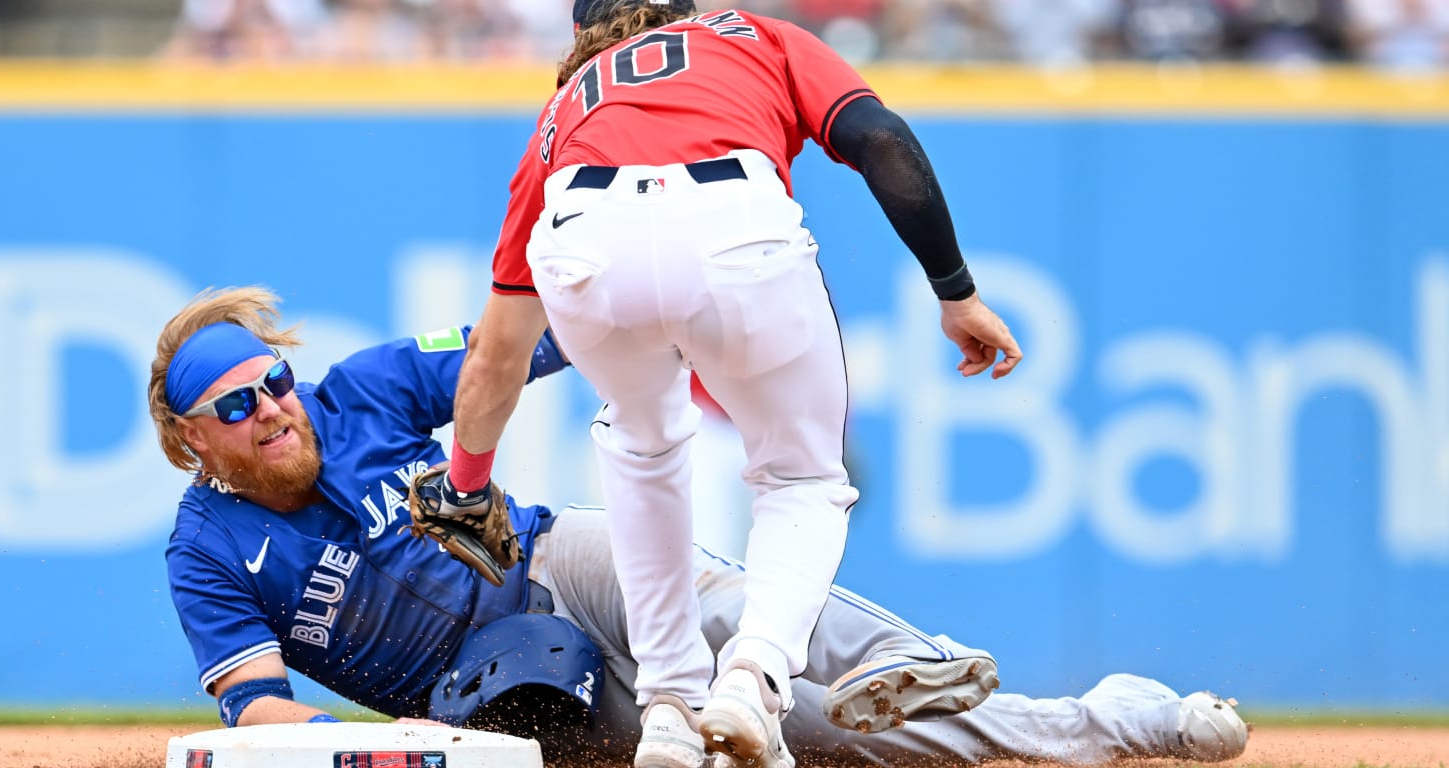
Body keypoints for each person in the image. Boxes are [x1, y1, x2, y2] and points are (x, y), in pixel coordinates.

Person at [151, 286, 1248, 767]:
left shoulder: (361, 393)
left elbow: (520, 346)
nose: (274, 409)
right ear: (193, 440)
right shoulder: (206, 552)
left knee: (734, 607)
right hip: (505, 691)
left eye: (273, 381)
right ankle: (1114, 720)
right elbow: (259, 719)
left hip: (555, 560)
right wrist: (405, 755)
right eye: (237, 406)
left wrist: (628, 297)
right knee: (813, 735)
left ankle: (918, 659)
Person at [436, 4, 1024, 766]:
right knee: (803, 477)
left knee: (642, 450)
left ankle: (671, 707)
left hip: (583, 231)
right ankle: (754, 679)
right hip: (732, 218)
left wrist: (467, 486)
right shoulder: (749, 32)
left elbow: (495, 351)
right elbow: (878, 138)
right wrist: (956, 290)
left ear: (584, 31)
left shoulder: (564, 109)